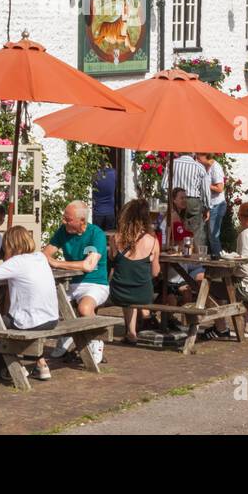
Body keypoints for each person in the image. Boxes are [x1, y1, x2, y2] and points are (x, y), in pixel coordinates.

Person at [0, 226, 59, 381]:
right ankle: (41, 364)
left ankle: (10, 366)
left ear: (9, 245)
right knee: (7, 320)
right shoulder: (40, 257)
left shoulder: (16, 262)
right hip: (51, 319)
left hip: (31, 320)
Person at [43, 201, 109, 364]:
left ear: (82, 221)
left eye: (68, 219)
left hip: (95, 283)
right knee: (50, 306)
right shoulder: (63, 231)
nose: (64, 222)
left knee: (84, 309)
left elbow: (89, 265)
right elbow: (45, 254)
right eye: (64, 218)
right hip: (70, 283)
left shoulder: (96, 234)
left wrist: (57, 263)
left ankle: (96, 340)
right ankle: (67, 336)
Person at [205, 202, 248, 339]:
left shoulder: (247, 234)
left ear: (241, 217)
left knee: (207, 288)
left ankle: (220, 327)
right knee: (222, 286)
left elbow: (245, 267)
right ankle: (245, 321)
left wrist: (230, 270)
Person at [108, 199, 160, 344]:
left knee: (127, 285)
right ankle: (146, 317)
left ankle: (131, 332)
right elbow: (155, 272)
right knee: (138, 285)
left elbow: (112, 259)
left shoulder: (115, 238)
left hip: (118, 292)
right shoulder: (152, 241)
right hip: (143, 294)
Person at [169, 152, 211, 256]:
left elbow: (164, 185)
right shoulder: (199, 166)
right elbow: (205, 190)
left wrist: (172, 199)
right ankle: (196, 258)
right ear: (193, 154)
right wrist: (207, 207)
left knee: (176, 227)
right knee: (195, 232)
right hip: (193, 200)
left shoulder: (171, 164)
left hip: (175, 197)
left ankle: (178, 252)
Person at [196, 152, 227, 257]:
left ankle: (217, 261)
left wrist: (205, 185)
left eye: (199, 156)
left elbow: (220, 188)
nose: (196, 158)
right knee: (203, 235)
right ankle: (209, 259)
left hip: (217, 205)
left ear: (206, 156)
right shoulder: (203, 166)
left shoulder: (215, 168)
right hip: (208, 205)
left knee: (213, 236)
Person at [91, 149, 118, 232]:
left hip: (97, 213)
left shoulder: (94, 175)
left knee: (97, 239)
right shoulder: (113, 173)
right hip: (110, 213)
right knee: (109, 240)